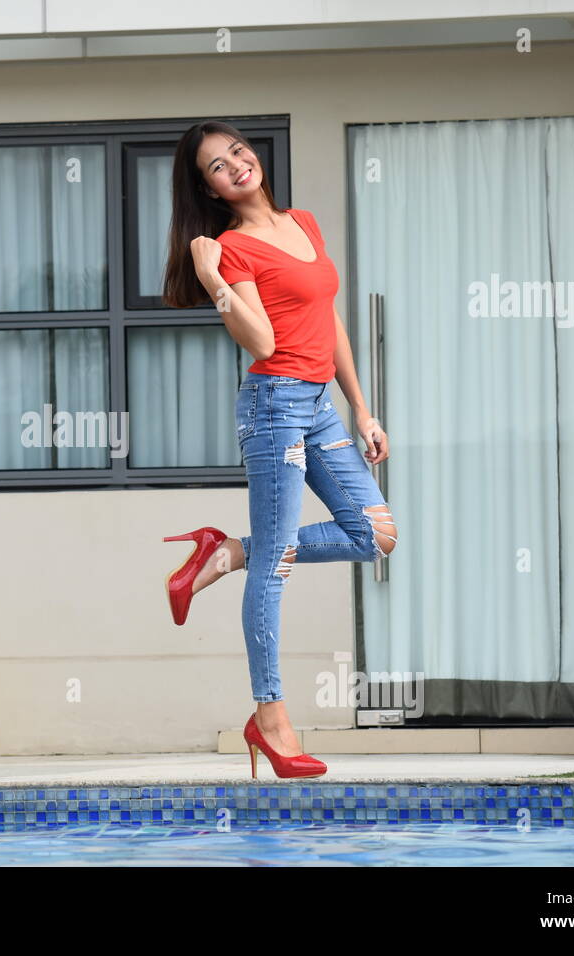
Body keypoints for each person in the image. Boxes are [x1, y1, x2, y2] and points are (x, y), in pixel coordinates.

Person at [160, 120, 398, 779]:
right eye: (216, 166)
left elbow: (328, 320)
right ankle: (269, 718)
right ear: (207, 188)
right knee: (280, 564)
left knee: (376, 533)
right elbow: (263, 344)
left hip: (321, 406)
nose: (236, 165)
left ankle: (227, 550)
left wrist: (362, 407)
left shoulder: (304, 223)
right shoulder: (231, 250)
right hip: (274, 408)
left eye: (237, 151)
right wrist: (214, 280)